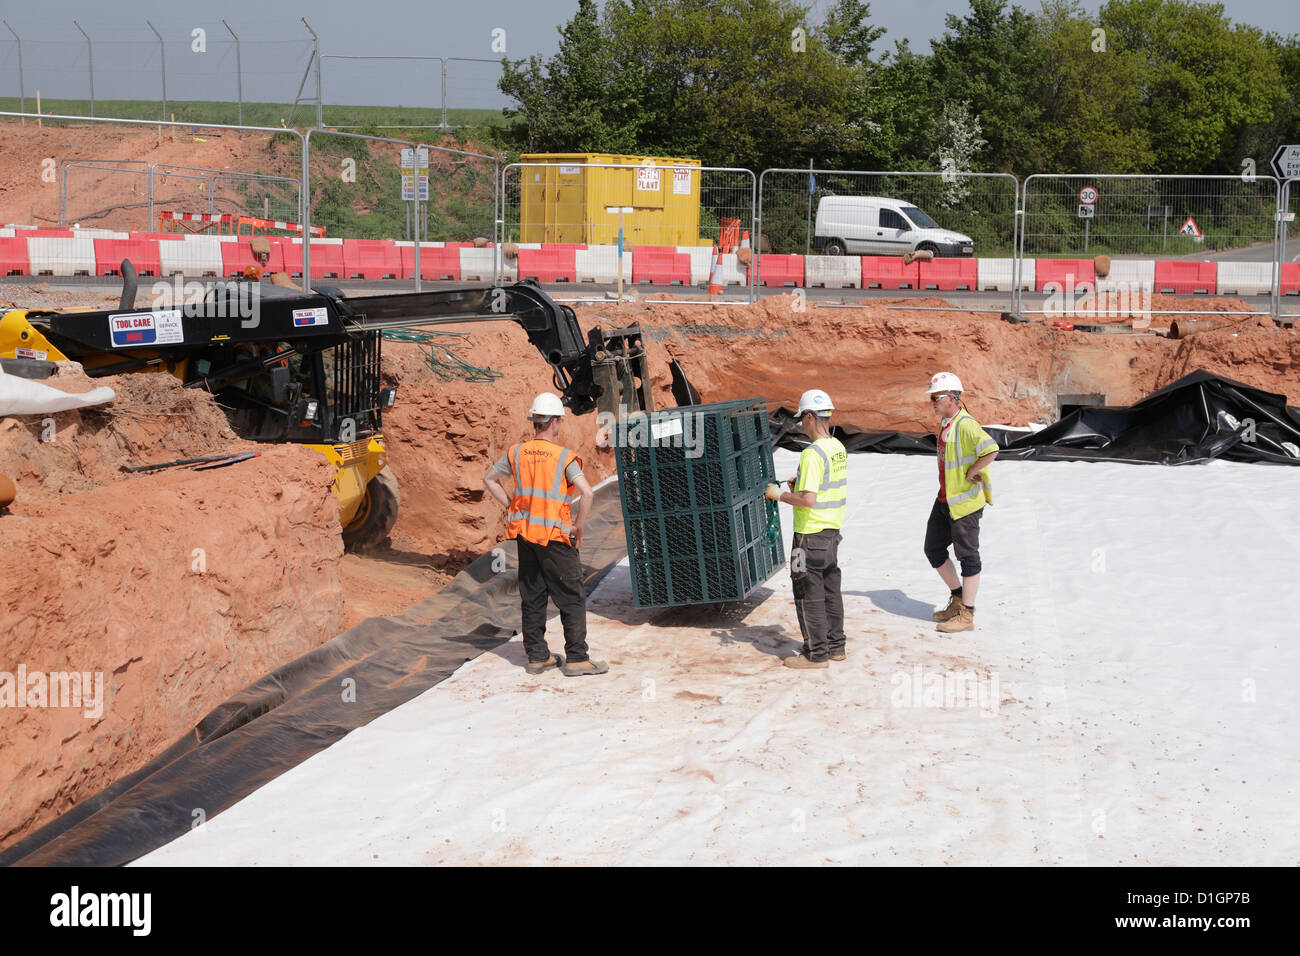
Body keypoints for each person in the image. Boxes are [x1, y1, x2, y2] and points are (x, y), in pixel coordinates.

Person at [483, 392, 606, 676]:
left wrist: (512, 505)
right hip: (555, 538)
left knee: (533, 595)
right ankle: (577, 658)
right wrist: (579, 526)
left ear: (534, 421)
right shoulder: (563, 457)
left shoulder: (516, 452)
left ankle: (538, 657)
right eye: (559, 420)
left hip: (526, 537)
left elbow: (489, 479)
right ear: (553, 422)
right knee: (571, 596)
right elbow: (587, 493)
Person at [767, 388, 848, 668]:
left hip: (808, 536)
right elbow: (822, 488)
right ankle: (836, 647)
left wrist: (780, 495)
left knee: (806, 591)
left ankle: (816, 654)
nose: (802, 425)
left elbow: (808, 500)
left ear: (812, 417)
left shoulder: (813, 454)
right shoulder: (837, 448)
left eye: (803, 419)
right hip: (831, 534)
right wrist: (797, 485)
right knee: (829, 590)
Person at [925, 372, 998, 633]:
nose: (932, 402)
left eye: (936, 397)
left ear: (952, 399)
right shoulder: (947, 423)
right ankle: (957, 598)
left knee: (968, 556)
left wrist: (971, 472)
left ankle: (967, 614)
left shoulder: (965, 424)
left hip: (964, 503)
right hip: (945, 499)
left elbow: (991, 449)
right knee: (933, 548)